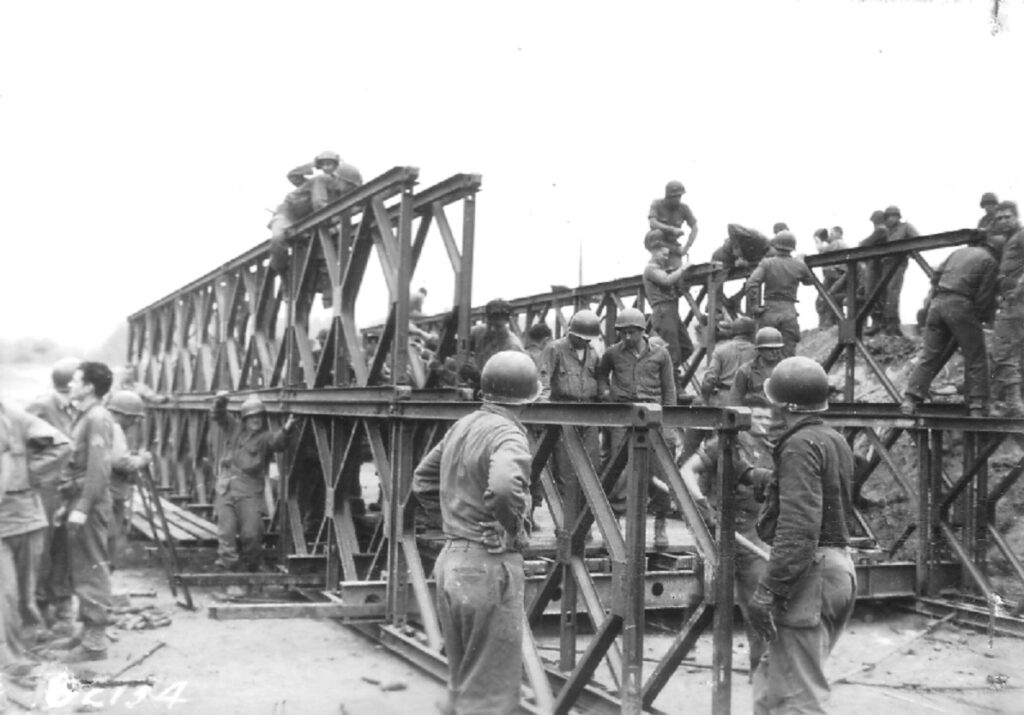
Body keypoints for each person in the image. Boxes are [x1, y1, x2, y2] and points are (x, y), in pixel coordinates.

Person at [412, 351, 537, 715]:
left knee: (465, 687)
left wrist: (454, 523)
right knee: (490, 700)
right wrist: (509, 527)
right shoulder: (508, 433)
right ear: (528, 398)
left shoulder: (463, 425)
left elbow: (422, 479)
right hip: (487, 566)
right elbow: (503, 486)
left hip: (451, 565)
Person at [743, 356, 857, 714]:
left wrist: (769, 591)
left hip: (811, 575)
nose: (770, 410)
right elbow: (819, 497)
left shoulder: (797, 446)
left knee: (797, 700)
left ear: (788, 406)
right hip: (837, 571)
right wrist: (755, 476)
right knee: (772, 684)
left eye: (774, 404)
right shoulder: (830, 439)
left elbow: (799, 527)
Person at [678, 406, 775, 675]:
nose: (764, 421)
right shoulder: (723, 443)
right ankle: (685, 651)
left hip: (753, 534)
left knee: (757, 599)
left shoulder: (771, 449)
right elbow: (687, 471)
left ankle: (760, 667)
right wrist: (701, 505)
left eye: (768, 417)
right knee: (703, 593)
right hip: (718, 530)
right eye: (759, 416)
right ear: (747, 419)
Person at [51, 361, 117, 661]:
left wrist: (83, 507)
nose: (71, 385)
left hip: (87, 501)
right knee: (80, 565)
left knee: (92, 565)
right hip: (77, 498)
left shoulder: (97, 418)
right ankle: (86, 627)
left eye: (76, 380)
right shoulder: (86, 415)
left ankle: (95, 640)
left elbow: (99, 468)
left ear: (89, 386)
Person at [596, 308, 676, 549]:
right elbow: (601, 374)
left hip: (653, 416)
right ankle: (616, 524)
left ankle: (660, 524)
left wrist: (669, 421)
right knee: (618, 471)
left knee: (661, 470)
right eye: (623, 332)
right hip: (624, 415)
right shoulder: (613, 353)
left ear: (642, 331)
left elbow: (669, 388)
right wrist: (605, 393)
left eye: (631, 332)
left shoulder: (661, 355)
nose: (627, 337)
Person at [900, 233, 1001, 417]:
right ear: (994, 249)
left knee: (929, 355)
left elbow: (935, 276)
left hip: (937, 305)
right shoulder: (990, 261)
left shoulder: (958, 252)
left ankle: (910, 399)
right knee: (976, 356)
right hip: (961, 305)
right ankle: (977, 405)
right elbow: (984, 297)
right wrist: (979, 317)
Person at [0, 401, 71, 649]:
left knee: (24, 595)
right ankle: (8, 655)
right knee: (5, 593)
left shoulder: (17, 418)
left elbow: (62, 445)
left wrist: (29, 473)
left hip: (25, 518)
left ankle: (25, 645)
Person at [210, 394, 296, 572]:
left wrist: (287, 429)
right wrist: (221, 401)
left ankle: (251, 568)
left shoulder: (264, 438)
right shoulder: (233, 428)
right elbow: (218, 415)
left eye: (259, 416)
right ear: (245, 418)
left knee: (252, 533)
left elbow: (277, 442)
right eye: (252, 416)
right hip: (226, 488)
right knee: (226, 532)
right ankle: (229, 568)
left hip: (249, 491)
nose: (256, 420)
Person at [26, 357, 80, 629]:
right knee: (42, 548)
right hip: (46, 489)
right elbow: (22, 444)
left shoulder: (79, 409)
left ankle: (63, 605)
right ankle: (39, 609)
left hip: (70, 488)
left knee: (66, 548)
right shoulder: (41, 406)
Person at [536, 310, 602, 515]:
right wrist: (542, 413)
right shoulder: (554, 349)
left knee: (592, 468)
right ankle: (567, 523)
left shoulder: (593, 353)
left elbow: (600, 384)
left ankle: (582, 522)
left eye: (588, 339)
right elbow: (543, 382)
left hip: (589, 416)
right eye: (581, 338)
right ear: (571, 333)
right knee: (566, 472)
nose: (584, 342)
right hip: (563, 416)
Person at [268, 151, 363, 286]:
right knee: (278, 238)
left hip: (307, 220)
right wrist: (313, 165)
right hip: (288, 214)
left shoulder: (338, 192)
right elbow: (319, 205)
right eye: (348, 186)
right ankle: (282, 271)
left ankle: (326, 285)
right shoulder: (321, 180)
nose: (349, 190)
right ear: (339, 179)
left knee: (333, 237)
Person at [745, 231, 815, 357]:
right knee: (788, 354)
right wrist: (801, 262)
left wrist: (754, 306)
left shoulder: (767, 263)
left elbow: (751, 283)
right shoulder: (799, 265)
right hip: (789, 311)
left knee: (764, 352)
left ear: (775, 246)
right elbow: (809, 281)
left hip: (769, 311)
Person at [106, 391, 153, 570]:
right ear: (122, 414)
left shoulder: (105, 424)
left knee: (109, 536)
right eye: (132, 418)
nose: (134, 423)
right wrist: (142, 460)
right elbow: (120, 462)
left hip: (109, 490)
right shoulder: (115, 428)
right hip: (111, 492)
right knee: (110, 537)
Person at [988, 201, 1024, 417]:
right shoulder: (1010, 239)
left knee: (1003, 351)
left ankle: (1013, 404)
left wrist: (1018, 289)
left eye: (1007, 217)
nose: (1003, 221)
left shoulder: (1020, 236)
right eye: (999, 218)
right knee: (1016, 351)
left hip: (1015, 302)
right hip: (1014, 301)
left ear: (1016, 217)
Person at [643, 243, 694, 381]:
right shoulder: (651, 269)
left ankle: (661, 372)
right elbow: (666, 281)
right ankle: (673, 383)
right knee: (672, 350)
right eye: (663, 254)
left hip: (671, 311)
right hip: (663, 311)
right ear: (654, 252)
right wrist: (682, 269)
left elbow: (672, 288)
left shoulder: (661, 270)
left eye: (667, 255)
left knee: (687, 347)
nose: (666, 258)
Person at [460, 299, 525, 391]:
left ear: (507, 322)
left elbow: (509, 384)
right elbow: (460, 342)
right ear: (487, 319)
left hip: (499, 396)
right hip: (477, 390)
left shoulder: (513, 347)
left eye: (498, 327)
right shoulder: (479, 332)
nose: (493, 330)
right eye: (491, 324)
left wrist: (479, 376)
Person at [876, 205, 921, 337]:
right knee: (883, 293)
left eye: (893, 216)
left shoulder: (905, 227)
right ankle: (885, 323)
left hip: (898, 263)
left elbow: (918, 241)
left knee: (892, 292)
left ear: (898, 217)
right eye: (888, 217)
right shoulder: (885, 231)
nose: (890, 219)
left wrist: (908, 251)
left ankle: (892, 324)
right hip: (884, 264)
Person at [700, 316, 756, 405]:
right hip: (748, 399)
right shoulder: (757, 352)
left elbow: (710, 379)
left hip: (724, 397)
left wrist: (705, 399)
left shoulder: (721, 350)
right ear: (752, 333)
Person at [645, 180, 699, 268]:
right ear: (668, 196)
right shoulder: (657, 203)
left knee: (677, 271)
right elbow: (652, 222)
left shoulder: (684, 208)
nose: (678, 199)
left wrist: (686, 248)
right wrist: (672, 229)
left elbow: (695, 228)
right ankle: (656, 264)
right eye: (675, 197)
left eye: (679, 196)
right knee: (657, 233)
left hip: (672, 244)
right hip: (657, 241)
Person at [731, 328, 787, 407]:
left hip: (783, 415)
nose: (775, 352)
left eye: (777, 348)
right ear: (759, 350)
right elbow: (735, 399)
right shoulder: (746, 371)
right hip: (757, 415)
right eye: (769, 349)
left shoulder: (788, 369)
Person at [860, 210, 890, 335]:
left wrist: (861, 244)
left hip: (875, 266)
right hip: (876, 265)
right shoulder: (882, 231)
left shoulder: (881, 231)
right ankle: (878, 323)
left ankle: (876, 323)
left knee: (872, 293)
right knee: (874, 293)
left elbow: (864, 243)